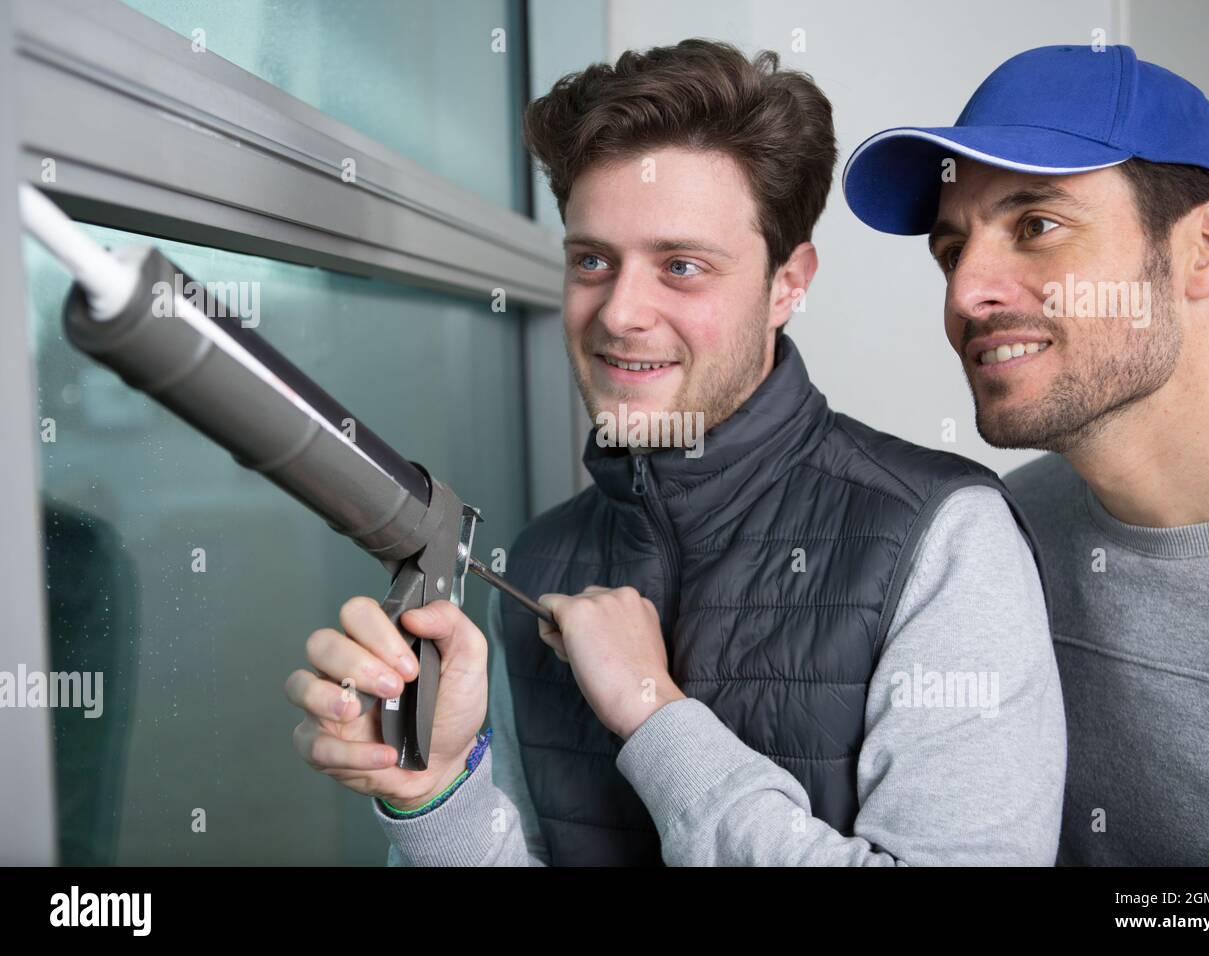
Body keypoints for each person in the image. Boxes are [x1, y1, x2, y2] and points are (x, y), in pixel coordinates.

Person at [286, 39, 1065, 867]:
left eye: (682, 266)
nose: (619, 313)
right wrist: (435, 790)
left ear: (789, 282)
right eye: (592, 261)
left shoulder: (945, 539)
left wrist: (654, 713)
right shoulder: (540, 559)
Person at [843, 43, 1209, 865]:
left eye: (1036, 226)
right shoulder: (990, 537)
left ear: (1208, 251)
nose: (964, 292)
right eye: (952, 251)